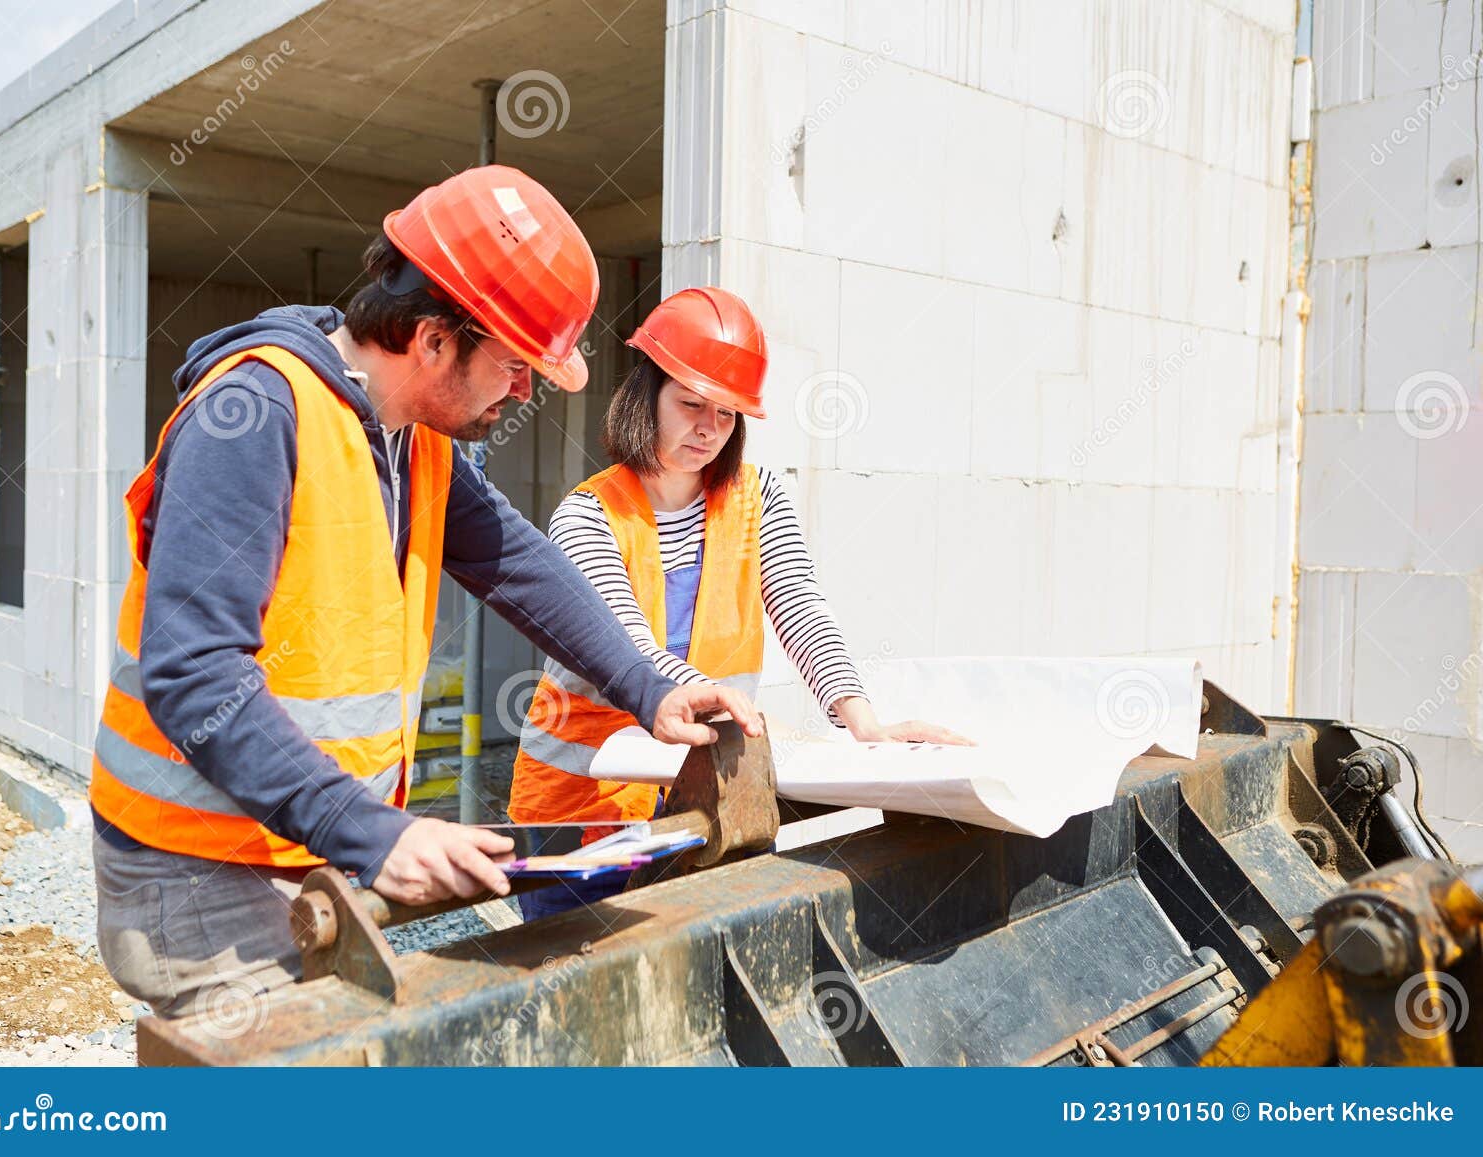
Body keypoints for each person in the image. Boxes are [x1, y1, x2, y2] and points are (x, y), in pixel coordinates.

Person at [90, 169, 759, 1017]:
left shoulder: (410, 437)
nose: (524, 392)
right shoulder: (255, 417)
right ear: (435, 338)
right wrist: (372, 832)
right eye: (516, 365)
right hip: (194, 867)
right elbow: (196, 674)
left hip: (296, 845)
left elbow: (518, 563)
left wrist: (649, 684)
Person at [508, 287, 969, 921]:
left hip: (712, 778)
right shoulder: (587, 516)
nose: (708, 430)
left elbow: (798, 606)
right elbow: (628, 649)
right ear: (646, 398)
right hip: (588, 792)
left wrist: (862, 722)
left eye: (727, 414)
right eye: (692, 404)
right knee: (577, 974)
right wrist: (728, 707)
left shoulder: (758, 499)